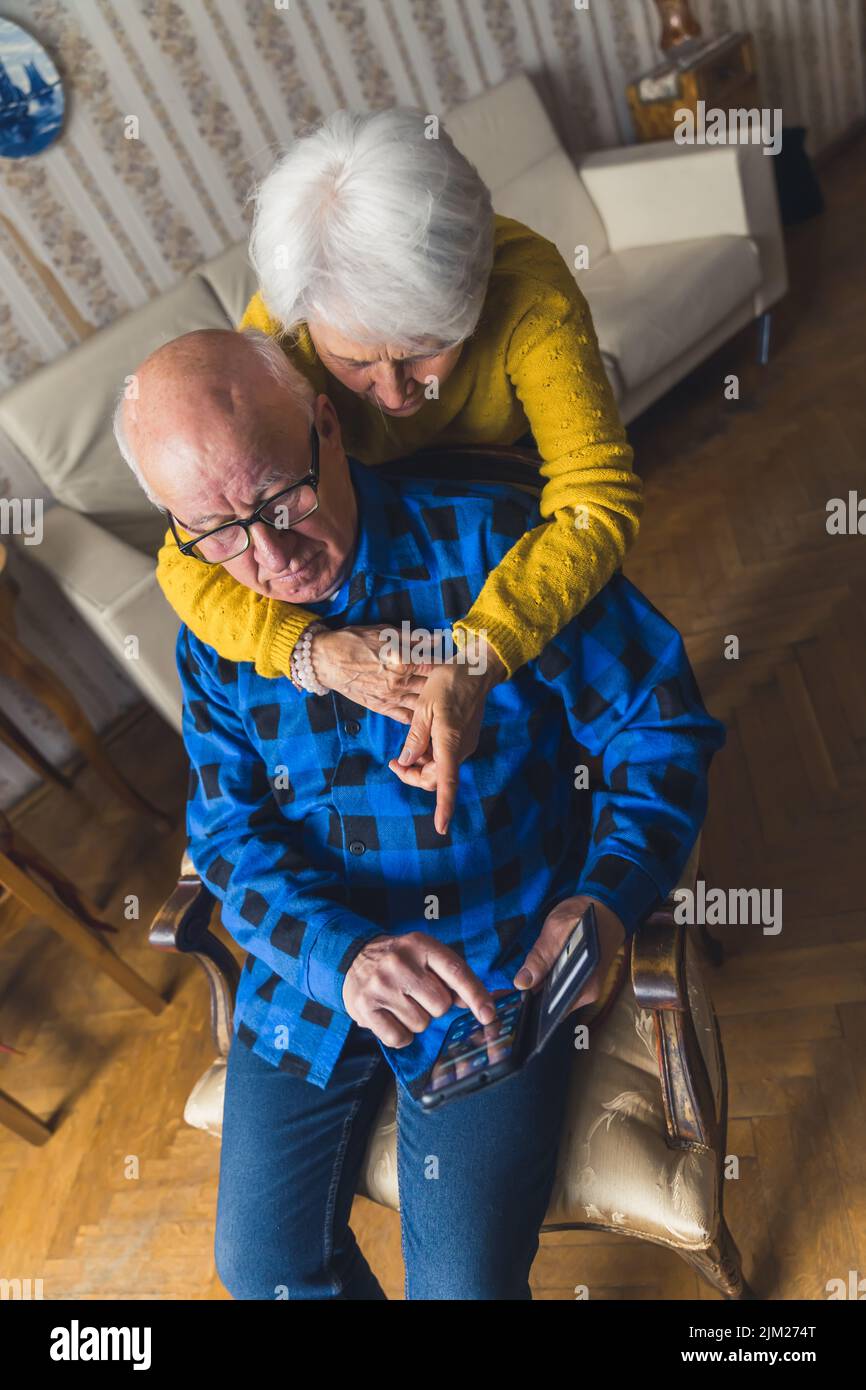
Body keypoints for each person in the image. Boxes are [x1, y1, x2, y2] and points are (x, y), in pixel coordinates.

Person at [117, 329, 724, 1300]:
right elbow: (226, 833)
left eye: (282, 500)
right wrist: (339, 957)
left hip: (492, 960)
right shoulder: (217, 622)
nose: (268, 559)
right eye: (219, 532)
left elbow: (660, 735)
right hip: (314, 974)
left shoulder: (499, 547)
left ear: (325, 422)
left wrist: (603, 901)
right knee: (263, 1268)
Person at [152, 106, 644, 835]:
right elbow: (185, 559)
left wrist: (479, 652)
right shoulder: (282, 325)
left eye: (425, 349)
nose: (393, 393)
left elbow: (594, 506)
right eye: (354, 362)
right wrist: (311, 656)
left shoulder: (529, 289)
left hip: (500, 542)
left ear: (474, 289)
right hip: (365, 550)